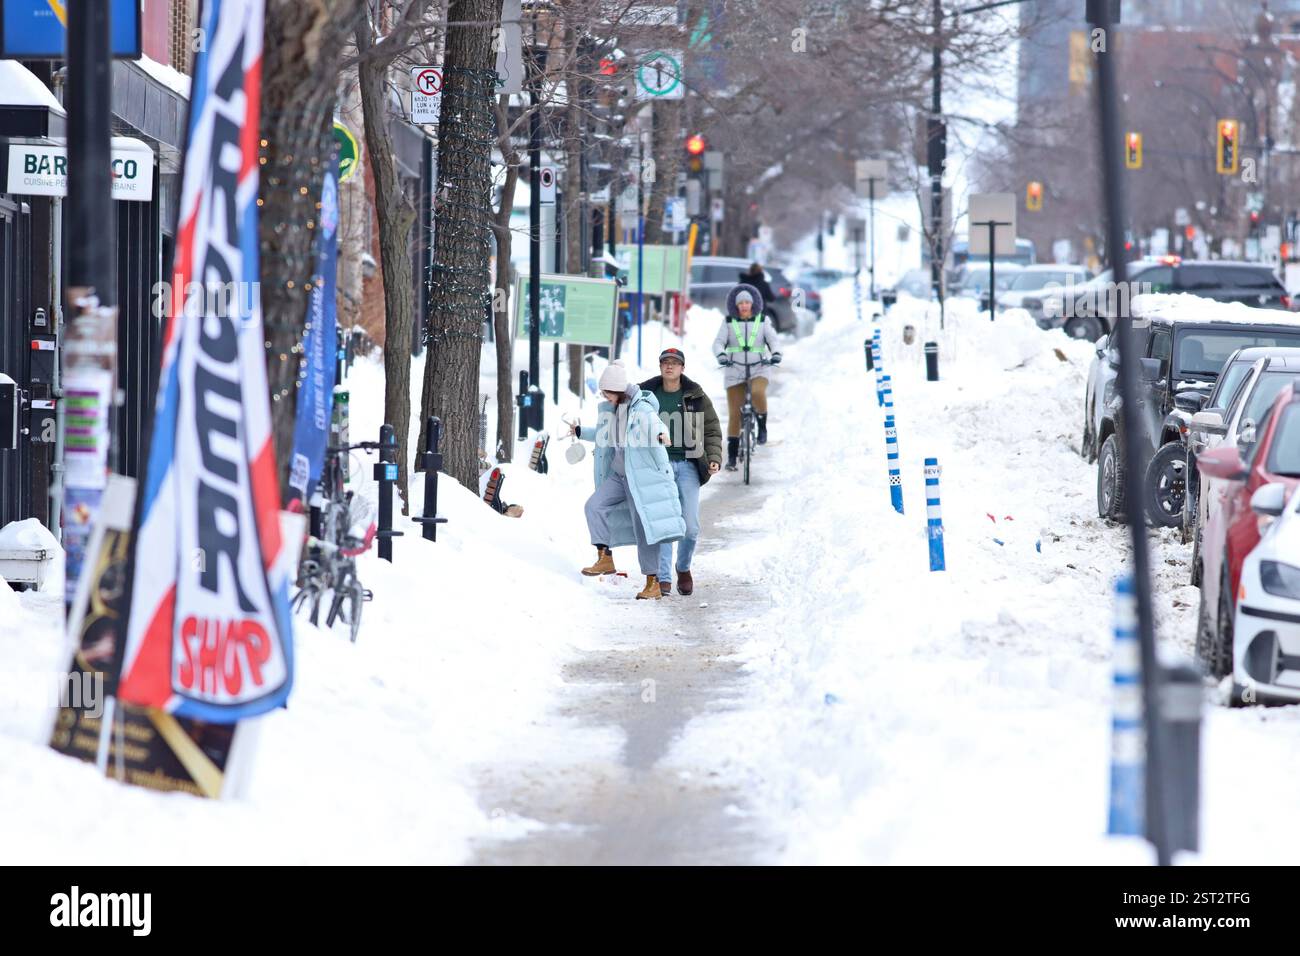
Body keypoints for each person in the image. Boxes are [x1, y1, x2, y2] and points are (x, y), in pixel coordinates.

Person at [565, 360, 686, 600]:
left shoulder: (641, 408)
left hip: (638, 477)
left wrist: (662, 434)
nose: (605, 397)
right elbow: (604, 435)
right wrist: (581, 432)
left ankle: (653, 582)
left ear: (618, 391)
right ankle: (604, 558)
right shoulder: (614, 409)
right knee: (594, 506)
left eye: (607, 393)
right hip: (618, 475)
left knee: (644, 529)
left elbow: (654, 424)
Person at [640, 347, 722, 596]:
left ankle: (683, 568)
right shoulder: (647, 395)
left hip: (688, 465)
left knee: (690, 525)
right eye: (665, 362)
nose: (670, 366)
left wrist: (714, 457)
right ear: (660, 366)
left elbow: (711, 429)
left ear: (682, 368)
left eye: (675, 363)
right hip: (659, 465)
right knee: (665, 523)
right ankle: (663, 577)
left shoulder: (695, 396)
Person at [713, 283, 781, 469]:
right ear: (736, 305)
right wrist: (721, 355)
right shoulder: (728, 322)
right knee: (735, 413)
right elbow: (718, 343)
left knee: (759, 393)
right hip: (734, 370)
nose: (744, 305)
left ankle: (762, 426)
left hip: (759, 368)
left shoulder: (762, 321)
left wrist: (775, 353)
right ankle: (732, 457)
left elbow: (773, 340)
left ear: (752, 304)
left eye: (747, 302)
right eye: (740, 302)